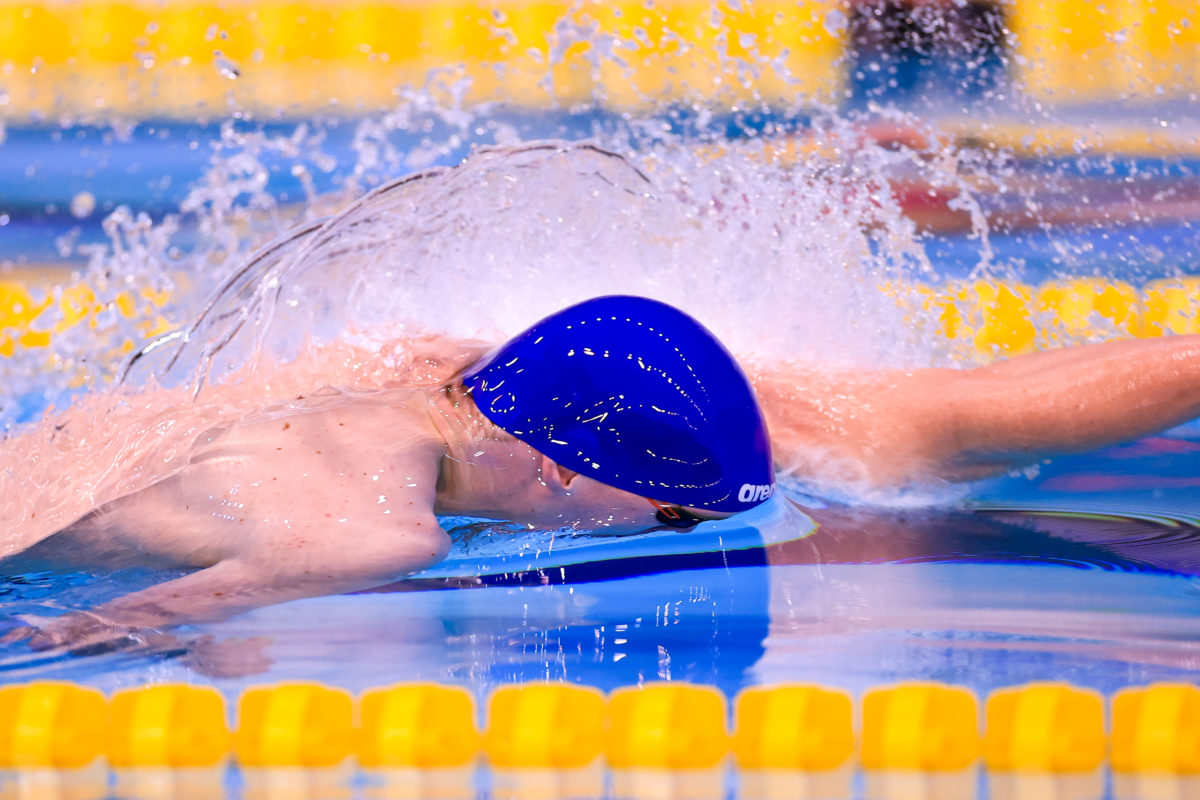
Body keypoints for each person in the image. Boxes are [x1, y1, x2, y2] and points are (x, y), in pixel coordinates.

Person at [4, 294, 1200, 651]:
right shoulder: (376, 530)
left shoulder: (408, 376)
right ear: (563, 469)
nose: (672, 526)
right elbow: (74, 637)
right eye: (672, 511)